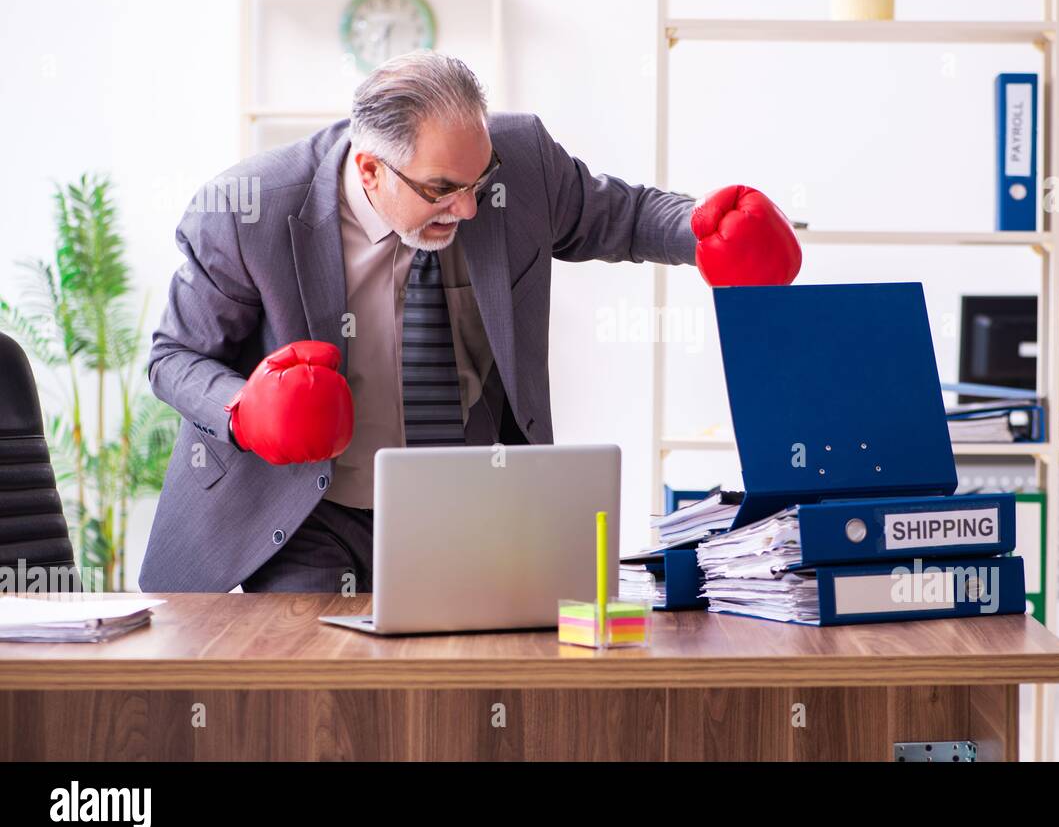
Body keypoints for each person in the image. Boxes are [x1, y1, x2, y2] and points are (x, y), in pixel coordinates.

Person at [137, 50, 801, 593]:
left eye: (478, 182)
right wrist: (244, 409)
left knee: (476, 693)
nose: (470, 209)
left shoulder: (520, 162)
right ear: (369, 169)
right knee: (328, 697)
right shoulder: (246, 210)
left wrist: (701, 232)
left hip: (466, 500)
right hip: (307, 512)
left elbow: (619, 215)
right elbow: (171, 355)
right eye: (441, 191)